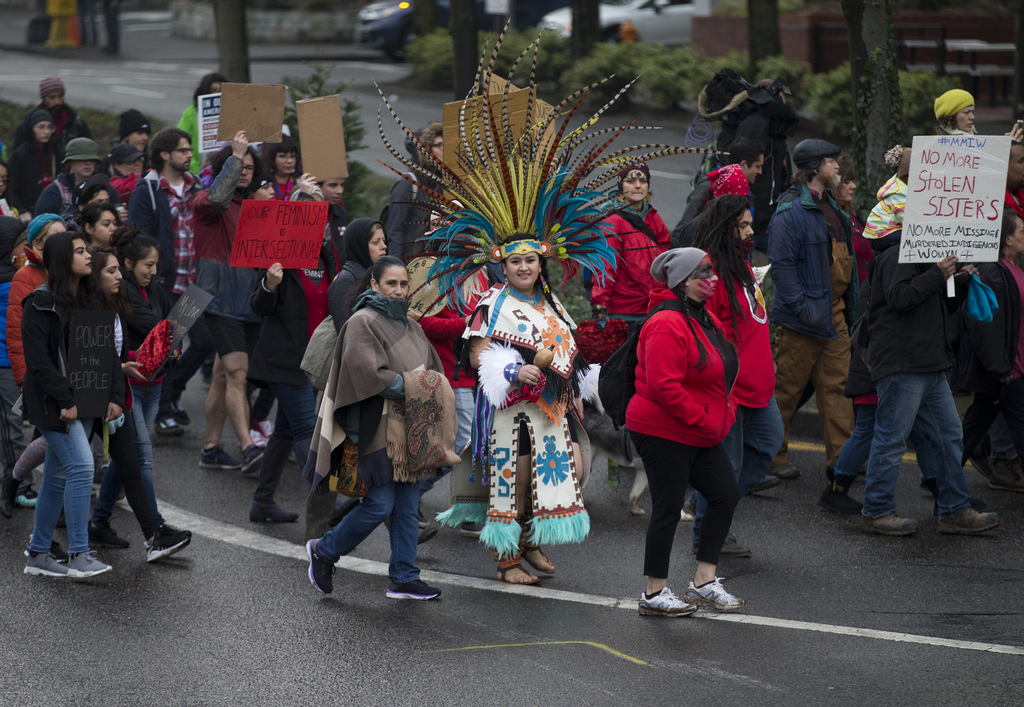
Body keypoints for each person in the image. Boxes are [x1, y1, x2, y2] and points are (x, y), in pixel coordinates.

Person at [305, 256, 447, 599]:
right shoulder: (362, 321)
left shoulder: (412, 326)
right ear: (375, 286)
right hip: (373, 428)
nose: (398, 291)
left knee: (407, 505)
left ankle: (403, 576)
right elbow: (370, 376)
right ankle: (324, 550)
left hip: (410, 428)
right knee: (380, 505)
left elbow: (433, 370)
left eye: (403, 284)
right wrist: (417, 385)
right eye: (391, 284)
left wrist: (429, 386)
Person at [859, 201, 998, 536]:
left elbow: (939, 303)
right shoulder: (895, 254)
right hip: (902, 364)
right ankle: (876, 510)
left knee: (950, 435)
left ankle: (953, 509)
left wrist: (960, 280)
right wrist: (938, 273)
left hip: (929, 363)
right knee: (892, 440)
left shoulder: (921, 257)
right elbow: (899, 298)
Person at [627, 248, 743, 616]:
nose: (712, 278)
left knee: (725, 494)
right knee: (667, 507)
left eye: (712, 270)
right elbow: (664, 386)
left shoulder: (704, 317)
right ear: (681, 282)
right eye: (703, 272)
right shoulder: (666, 322)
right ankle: (653, 593)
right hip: (662, 427)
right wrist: (706, 419)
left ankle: (704, 582)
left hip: (696, 429)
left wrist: (727, 409)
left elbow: (723, 369)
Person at [75, 243, 192, 560]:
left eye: (118, 270)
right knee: (67, 468)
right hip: (87, 398)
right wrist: (120, 371)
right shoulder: (86, 308)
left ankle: (153, 537)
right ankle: (48, 540)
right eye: (111, 271)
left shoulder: (116, 302)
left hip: (116, 397)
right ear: (93, 276)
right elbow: (92, 360)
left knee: (130, 463)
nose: (119, 277)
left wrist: (125, 365)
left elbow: (113, 354)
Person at [688, 196, 782, 559]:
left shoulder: (742, 263)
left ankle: (708, 503)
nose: (750, 231)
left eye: (750, 224)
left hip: (759, 387)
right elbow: (706, 332)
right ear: (726, 226)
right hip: (730, 389)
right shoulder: (710, 272)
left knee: (767, 445)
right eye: (743, 225)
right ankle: (707, 531)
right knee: (731, 464)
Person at [246, 176, 337, 523]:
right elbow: (259, 307)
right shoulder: (278, 258)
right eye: (308, 211)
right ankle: (329, 502)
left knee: (283, 432)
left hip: (314, 360)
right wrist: (270, 284)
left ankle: (262, 501)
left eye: (320, 212)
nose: (316, 218)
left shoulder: (327, 258)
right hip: (284, 361)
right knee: (304, 431)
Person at [767, 138, 857, 481]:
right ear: (815, 168)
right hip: (802, 322)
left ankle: (841, 465)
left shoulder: (831, 206)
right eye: (832, 162)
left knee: (839, 391)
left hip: (833, 317)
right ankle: (771, 458)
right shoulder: (790, 211)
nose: (837, 167)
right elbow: (783, 266)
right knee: (785, 393)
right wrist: (804, 310)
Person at [129, 127, 212, 437]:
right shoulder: (148, 189)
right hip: (164, 284)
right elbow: (137, 238)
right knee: (166, 348)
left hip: (193, 283)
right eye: (182, 150)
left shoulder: (196, 186)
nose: (189, 154)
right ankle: (164, 412)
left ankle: (172, 394)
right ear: (164, 154)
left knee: (204, 341)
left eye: (189, 149)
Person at [192, 133, 265, 473]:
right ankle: (249, 447)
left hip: (249, 303)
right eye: (239, 165)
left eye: (250, 166)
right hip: (220, 300)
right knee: (238, 373)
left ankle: (210, 448)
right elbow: (219, 198)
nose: (245, 171)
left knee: (224, 374)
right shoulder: (206, 200)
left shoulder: (253, 206)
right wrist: (235, 156)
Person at [954, 210, 1024, 492]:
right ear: (1007, 239)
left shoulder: (1014, 268)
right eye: (1021, 231)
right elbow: (985, 323)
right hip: (1009, 366)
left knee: (975, 424)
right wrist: (1000, 367)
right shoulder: (994, 271)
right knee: (1019, 423)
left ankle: (938, 476)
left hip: (1014, 362)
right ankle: (940, 478)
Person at [592, 163, 671, 327]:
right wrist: (600, 307)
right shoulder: (611, 222)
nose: (637, 186)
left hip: (653, 310)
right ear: (620, 186)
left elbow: (666, 263)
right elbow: (604, 268)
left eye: (642, 181)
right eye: (630, 181)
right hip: (623, 313)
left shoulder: (654, 219)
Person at [672, 137, 764, 246]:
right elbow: (682, 232)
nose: (760, 171)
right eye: (757, 166)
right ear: (743, 165)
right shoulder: (708, 188)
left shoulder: (747, 193)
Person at [7, 214, 64, 388]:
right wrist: (25, 380)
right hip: (41, 372)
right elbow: (16, 333)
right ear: (37, 243)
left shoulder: (68, 272)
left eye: (65, 235)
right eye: (56, 236)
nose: (63, 241)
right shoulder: (25, 276)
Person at [382, 122, 443, 260]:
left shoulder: (442, 186)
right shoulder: (408, 184)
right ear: (425, 150)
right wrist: (397, 272)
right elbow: (394, 232)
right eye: (439, 145)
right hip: (409, 267)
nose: (444, 150)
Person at [0, 217, 28, 519]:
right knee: (12, 425)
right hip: (6, 362)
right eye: (22, 244)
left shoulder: (18, 275)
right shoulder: (10, 281)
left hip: (15, 360)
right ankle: (18, 483)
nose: (27, 249)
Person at [674, 163, 755, 249]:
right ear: (722, 199)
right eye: (740, 199)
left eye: (745, 199)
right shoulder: (697, 230)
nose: (744, 203)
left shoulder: (724, 225)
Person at [34, 138, 121, 218]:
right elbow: (41, 224)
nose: (88, 163)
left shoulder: (107, 188)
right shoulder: (53, 191)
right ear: (70, 162)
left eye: (92, 159)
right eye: (82, 159)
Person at [328, 217, 388, 331]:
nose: (384, 246)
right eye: (376, 242)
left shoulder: (376, 276)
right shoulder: (345, 281)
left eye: (384, 241)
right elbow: (346, 331)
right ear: (360, 247)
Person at [13, 76, 92, 162]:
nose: (57, 102)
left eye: (60, 96)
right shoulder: (28, 124)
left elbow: (89, 153)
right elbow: (17, 157)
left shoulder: (77, 124)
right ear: (43, 98)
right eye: (52, 97)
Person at [6, 109, 58, 220]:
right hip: (29, 215)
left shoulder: (55, 153)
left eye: (50, 127)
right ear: (31, 129)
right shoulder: (19, 156)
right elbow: (11, 188)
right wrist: (22, 211)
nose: (47, 131)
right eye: (41, 127)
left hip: (53, 211)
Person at [178, 73, 227, 175]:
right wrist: (197, 171)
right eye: (213, 90)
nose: (217, 94)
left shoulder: (232, 113)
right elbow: (181, 145)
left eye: (221, 90)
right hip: (201, 173)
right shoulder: (191, 114)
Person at [834, 158, 871, 284]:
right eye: (847, 182)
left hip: (866, 292)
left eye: (853, 181)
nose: (853, 186)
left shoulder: (854, 216)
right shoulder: (827, 221)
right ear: (834, 184)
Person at [262, 137, 301, 202]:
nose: (289, 161)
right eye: (283, 156)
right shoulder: (263, 184)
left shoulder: (301, 185)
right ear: (272, 157)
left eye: (292, 156)